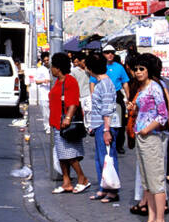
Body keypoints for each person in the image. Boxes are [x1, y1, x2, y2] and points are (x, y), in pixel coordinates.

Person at [127, 53, 169, 222]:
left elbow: (163, 115)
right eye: (136, 69)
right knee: (147, 182)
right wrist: (134, 109)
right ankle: (152, 219)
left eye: (141, 69)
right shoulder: (142, 88)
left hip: (151, 137)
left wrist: (146, 129)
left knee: (156, 181)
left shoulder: (154, 88)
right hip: (142, 137)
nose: (138, 72)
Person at [48, 52, 90, 193]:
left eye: (52, 67)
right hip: (56, 122)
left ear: (58, 67)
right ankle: (66, 182)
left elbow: (73, 102)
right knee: (62, 155)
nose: (51, 70)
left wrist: (67, 118)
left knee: (70, 155)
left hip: (65, 123)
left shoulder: (70, 81)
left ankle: (82, 178)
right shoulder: (58, 82)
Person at [86, 53, 121, 202]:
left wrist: (107, 130)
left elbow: (107, 109)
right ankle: (104, 187)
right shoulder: (102, 83)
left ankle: (112, 190)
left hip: (105, 126)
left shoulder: (105, 85)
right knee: (101, 158)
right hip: (99, 125)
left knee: (108, 158)